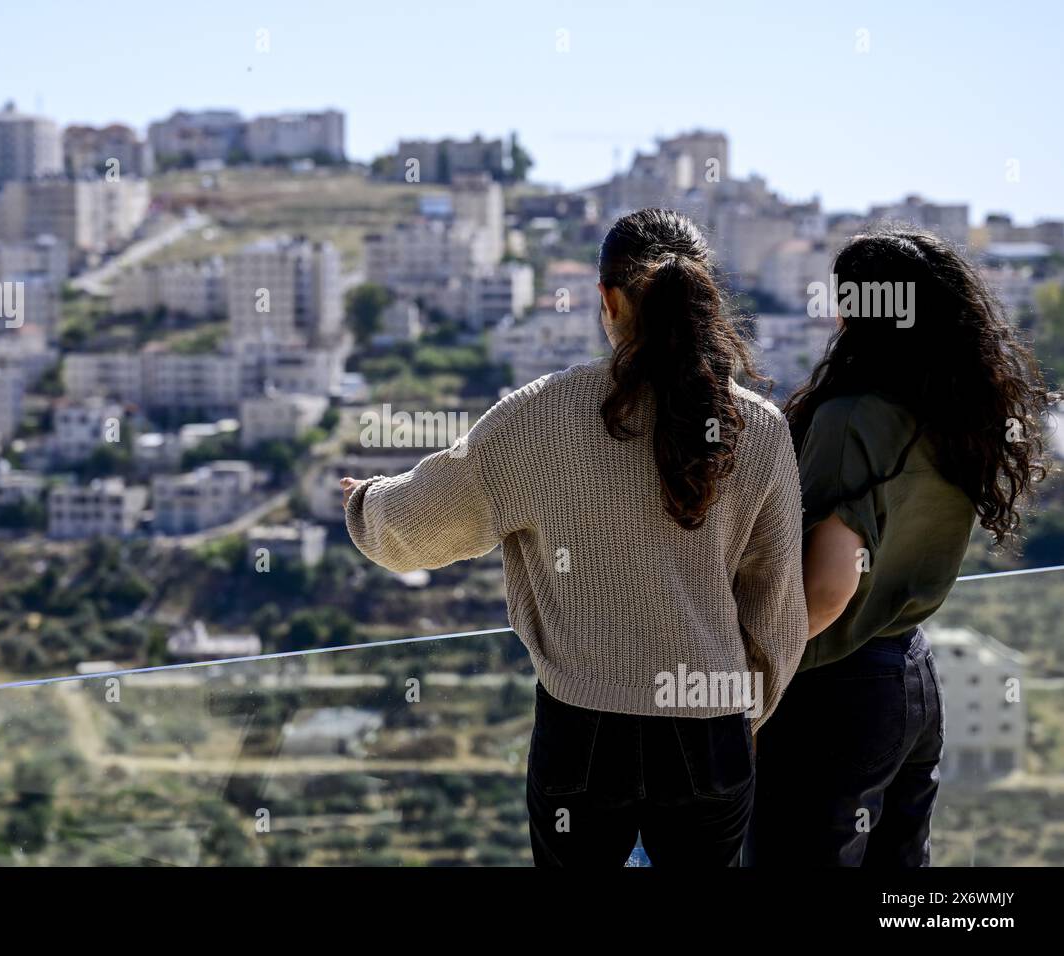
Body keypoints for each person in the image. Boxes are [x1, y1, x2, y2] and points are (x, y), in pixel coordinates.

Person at [341, 208, 807, 867]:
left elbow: (415, 532)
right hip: (711, 733)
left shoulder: (544, 412)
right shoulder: (759, 428)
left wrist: (364, 504)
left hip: (585, 735)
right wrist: (735, 716)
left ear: (608, 301)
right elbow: (777, 610)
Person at [751, 226, 1054, 866]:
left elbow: (829, 588)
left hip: (830, 691)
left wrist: (753, 685)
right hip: (912, 681)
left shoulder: (853, 417)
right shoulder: (953, 415)